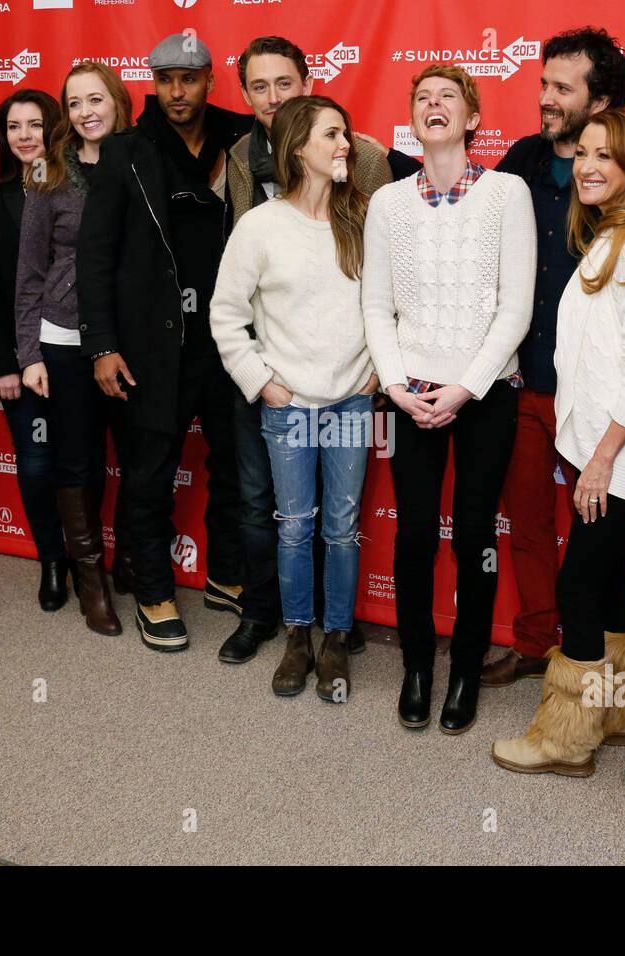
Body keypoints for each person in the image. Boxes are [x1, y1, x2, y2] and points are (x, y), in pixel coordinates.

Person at [491, 108, 625, 775]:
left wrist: (600, 460)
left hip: (619, 457)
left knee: (577, 585)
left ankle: (566, 740)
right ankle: (621, 712)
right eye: (583, 153)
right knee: (604, 584)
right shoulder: (618, 234)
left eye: (606, 156)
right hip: (606, 452)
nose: (587, 166)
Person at [363, 65, 536, 734]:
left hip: (483, 395)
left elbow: (515, 307)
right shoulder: (387, 203)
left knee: (472, 539)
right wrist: (399, 385)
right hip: (408, 397)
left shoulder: (506, 194)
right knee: (412, 538)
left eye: (448, 99)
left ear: (472, 118)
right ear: (412, 120)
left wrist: (465, 388)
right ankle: (416, 667)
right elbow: (377, 305)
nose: (434, 106)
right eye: (423, 98)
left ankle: (465, 670)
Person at [218, 35, 395, 666]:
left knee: (341, 528)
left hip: (351, 400)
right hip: (287, 402)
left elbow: (385, 303)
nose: (345, 145)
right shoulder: (259, 225)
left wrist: (377, 373)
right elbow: (225, 315)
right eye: (331, 136)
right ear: (300, 149)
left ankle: (338, 637)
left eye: (345, 134)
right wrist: (262, 382)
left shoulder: (365, 216)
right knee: (292, 526)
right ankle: (297, 633)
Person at [77, 34, 254, 652]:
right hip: (153, 345)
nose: (177, 91)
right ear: (153, 82)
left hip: (230, 339)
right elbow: (94, 258)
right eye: (165, 79)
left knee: (236, 466)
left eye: (189, 78)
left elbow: (327, 149)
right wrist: (101, 345)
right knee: (149, 473)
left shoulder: (242, 137)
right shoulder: (126, 150)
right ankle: (152, 589)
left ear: (210, 79)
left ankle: (227, 575)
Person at [484, 26, 625, 688]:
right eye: (543, 83)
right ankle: (537, 646)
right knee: (528, 526)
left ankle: (595, 673)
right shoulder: (520, 158)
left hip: (596, 398)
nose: (544, 97)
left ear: (599, 103)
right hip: (522, 384)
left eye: (561, 88)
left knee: (598, 542)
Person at [15, 63, 133, 636]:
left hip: (129, 340)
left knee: (134, 458)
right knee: (77, 461)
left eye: (97, 99)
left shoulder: (139, 160)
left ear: (117, 102)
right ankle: (92, 583)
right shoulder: (48, 171)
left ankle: (129, 560)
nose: (87, 111)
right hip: (63, 340)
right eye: (75, 102)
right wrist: (29, 352)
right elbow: (30, 270)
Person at [0, 88, 69, 613]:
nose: (26, 136)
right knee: (35, 461)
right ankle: (52, 560)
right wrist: (3, 364)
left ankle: (87, 558)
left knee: (79, 459)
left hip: (75, 351)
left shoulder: (80, 187)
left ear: (55, 128)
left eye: (35, 125)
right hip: (20, 355)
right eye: (14, 127)